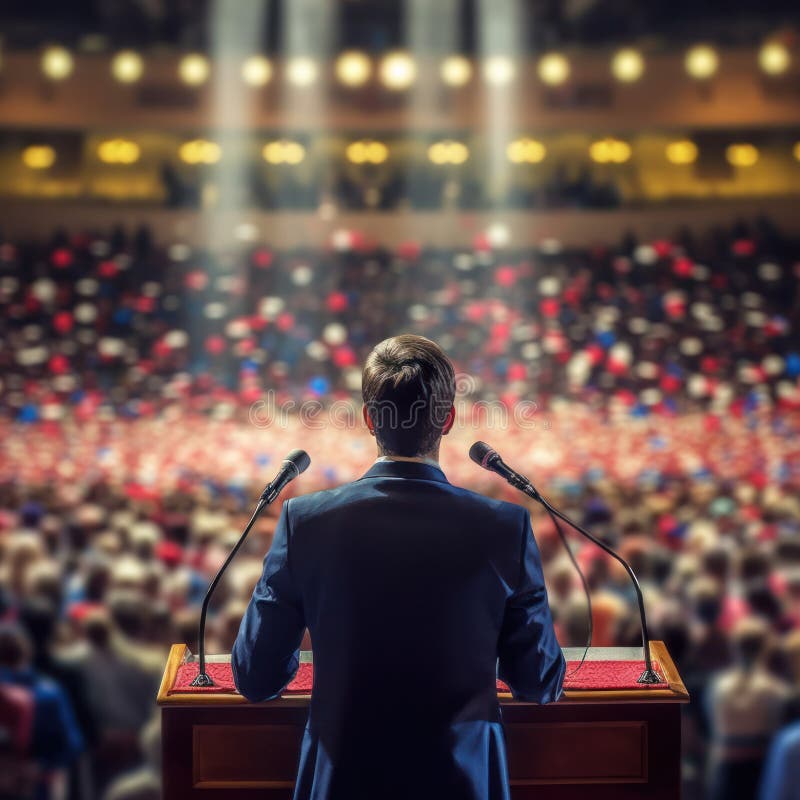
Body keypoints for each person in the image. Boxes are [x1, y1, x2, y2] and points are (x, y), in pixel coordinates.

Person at [233, 334, 566, 800]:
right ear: (448, 420)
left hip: (344, 779)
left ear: (370, 419)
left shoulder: (303, 522)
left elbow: (255, 675)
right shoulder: (504, 527)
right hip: (463, 780)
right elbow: (538, 681)